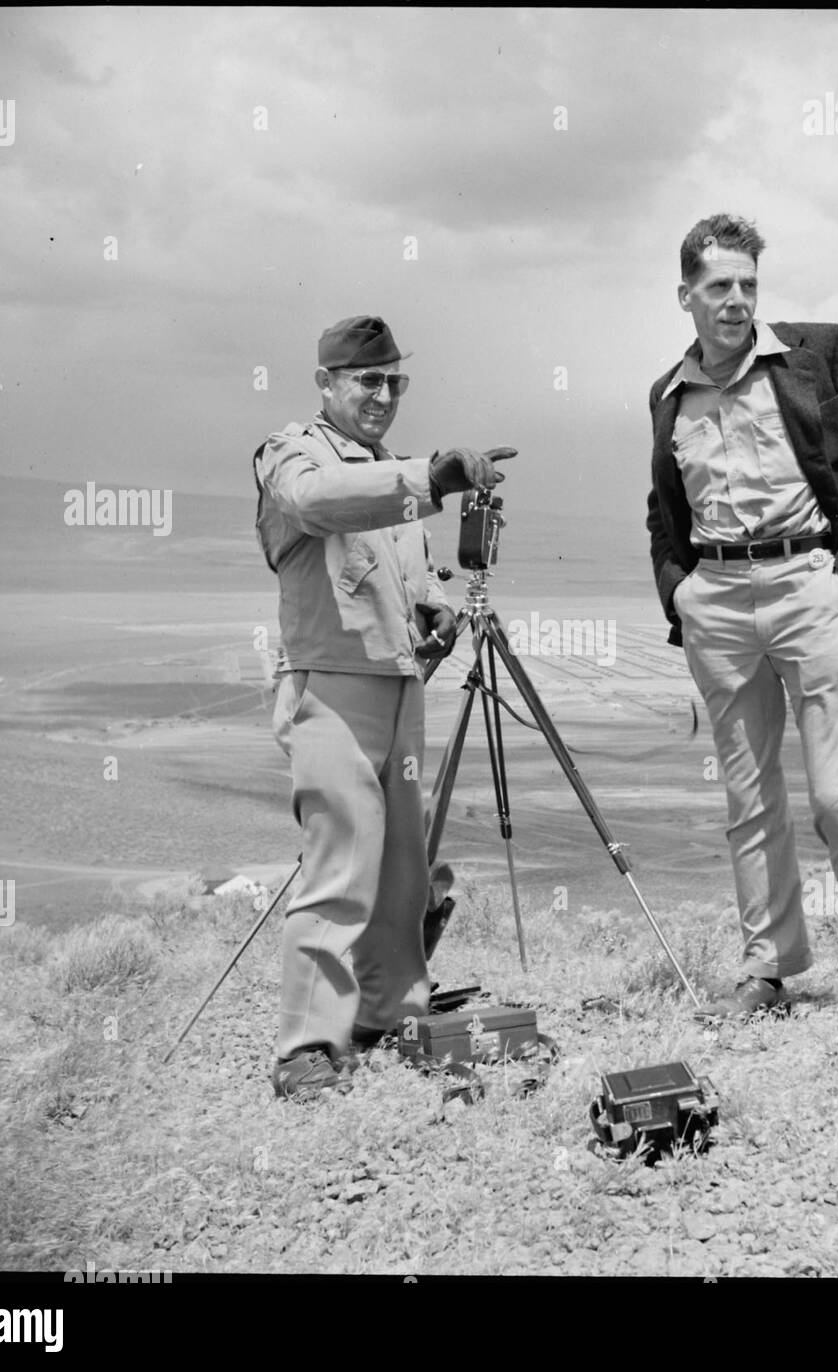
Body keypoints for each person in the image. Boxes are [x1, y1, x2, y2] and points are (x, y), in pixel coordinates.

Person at [645, 215, 838, 1023]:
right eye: (718, 287)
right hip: (720, 601)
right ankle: (768, 968)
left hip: (812, 585)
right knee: (749, 797)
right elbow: (662, 510)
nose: (735, 301)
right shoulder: (668, 394)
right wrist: (680, 590)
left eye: (748, 285)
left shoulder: (823, 354)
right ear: (686, 297)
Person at [253, 314, 513, 1097]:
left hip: (400, 689)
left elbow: (397, 566)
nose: (383, 394)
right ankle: (307, 1046)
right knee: (343, 861)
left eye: (394, 381)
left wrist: (430, 602)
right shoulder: (291, 454)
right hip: (329, 687)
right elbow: (319, 504)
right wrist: (430, 479)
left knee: (402, 863)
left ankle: (391, 1010)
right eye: (367, 380)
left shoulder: (387, 470)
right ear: (326, 383)